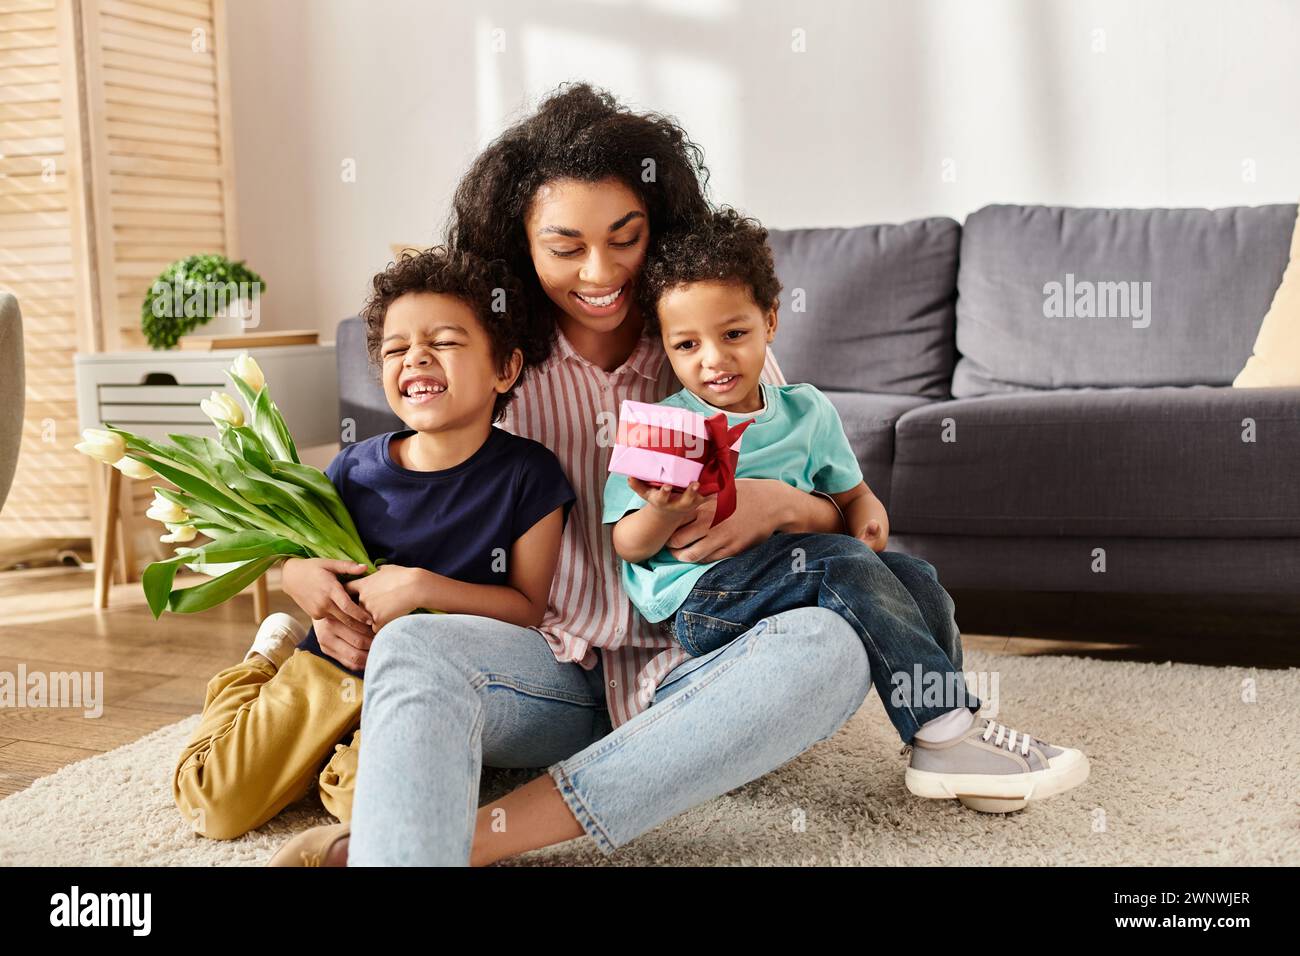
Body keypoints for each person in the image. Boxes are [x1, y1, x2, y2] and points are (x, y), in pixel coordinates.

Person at [280, 82, 902, 866]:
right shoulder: (500, 365)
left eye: (626, 237)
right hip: (550, 667)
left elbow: (842, 518)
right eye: (565, 247)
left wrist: (785, 506)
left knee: (831, 648)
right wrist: (298, 569)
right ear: (520, 247)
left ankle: (458, 844)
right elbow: (400, 485)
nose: (601, 271)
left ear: (661, 227)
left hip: (706, 655)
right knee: (416, 650)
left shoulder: (707, 339)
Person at [604, 207, 1090, 811]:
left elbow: (850, 492)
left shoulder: (807, 411)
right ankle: (944, 732)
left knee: (918, 578)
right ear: (666, 349)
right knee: (838, 560)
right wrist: (664, 512)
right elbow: (627, 543)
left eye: (734, 334)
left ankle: (951, 740)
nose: (714, 359)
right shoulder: (669, 427)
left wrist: (867, 511)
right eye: (687, 344)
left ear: (770, 322)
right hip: (707, 602)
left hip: (798, 570)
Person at [171, 247, 575, 849]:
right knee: (214, 804)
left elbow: (527, 609)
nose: (415, 356)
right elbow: (306, 557)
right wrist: (294, 577)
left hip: (419, 687)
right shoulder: (355, 468)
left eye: (444, 340)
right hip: (331, 661)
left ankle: (321, 758)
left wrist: (421, 587)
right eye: (395, 348)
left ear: (505, 368)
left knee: (368, 806)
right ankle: (260, 666)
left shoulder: (530, 476)